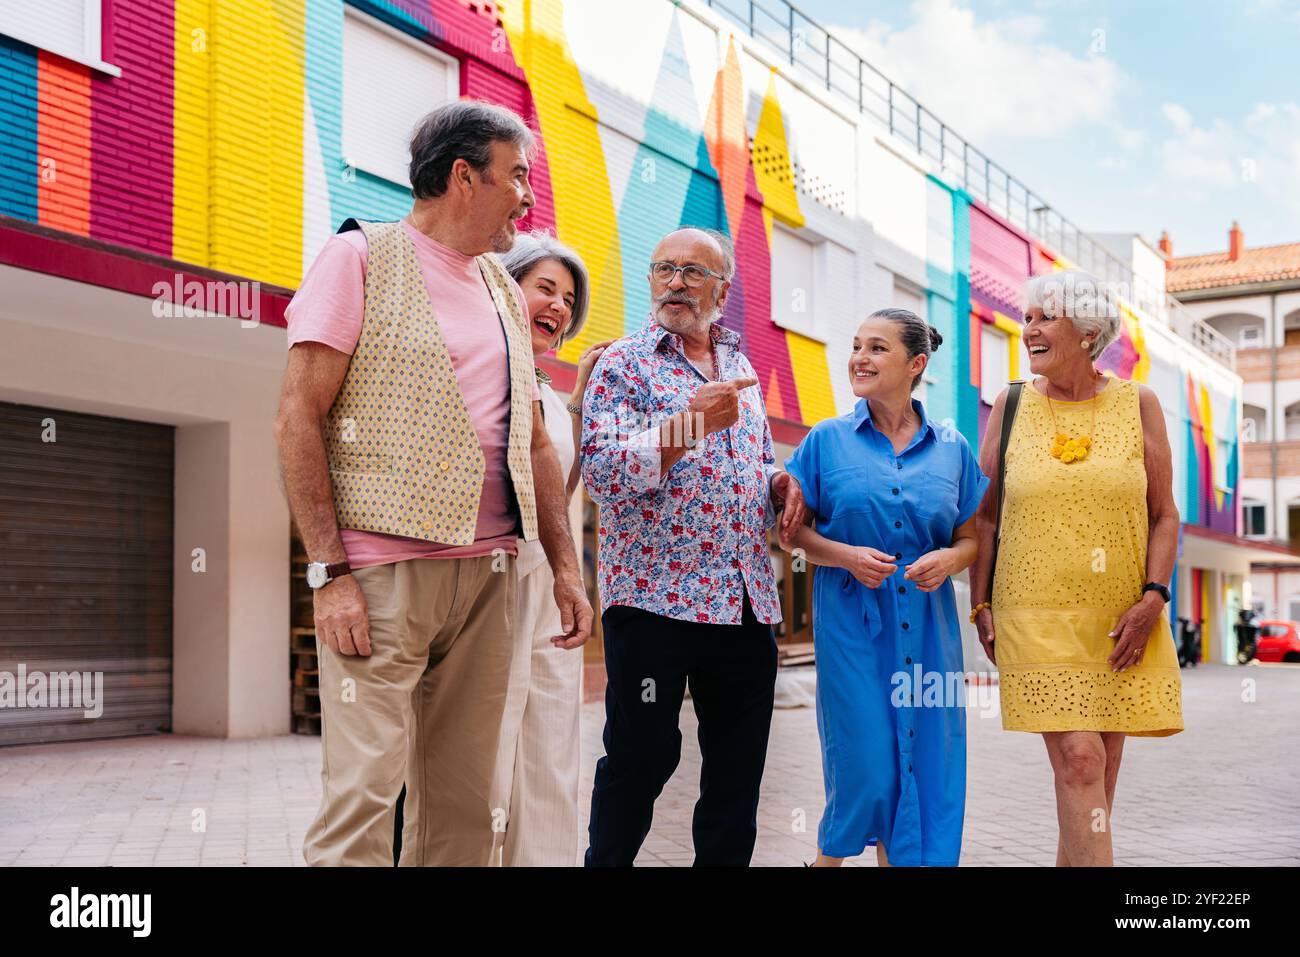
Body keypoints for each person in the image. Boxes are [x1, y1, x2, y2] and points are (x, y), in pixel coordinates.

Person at [275, 100, 592, 867]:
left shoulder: (501, 288)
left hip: (486, 578)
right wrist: (330, 573)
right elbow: (297, 418)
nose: (528, 194)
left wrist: (566, 567)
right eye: (518, 175)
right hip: (381, 578)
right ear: (462, 175)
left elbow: (537, 442)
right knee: (363, 796)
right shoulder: (359, 257)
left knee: (463, 804)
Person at [580, 227, 808, 866]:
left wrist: (778, 481)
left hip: (743, 601)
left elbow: (752, 460)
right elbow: (601, 473)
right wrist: (689, 423)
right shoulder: (623, 363)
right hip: (655, 600)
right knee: (643, 754)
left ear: (723, 289)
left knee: (738, 772)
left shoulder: (739, 366)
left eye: (693, 272)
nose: (675, 282)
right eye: (664, 269)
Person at [968, 270, 1183, 868]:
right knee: (1083, 762)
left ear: (1088, 333)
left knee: (1096, 780)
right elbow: (984, 518)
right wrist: (979, 603)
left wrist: (1154, 597)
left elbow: (1164, 515)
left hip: (1121, 622)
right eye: (1027, 317)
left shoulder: (1138, 403)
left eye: (1043, 318)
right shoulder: (1011, 405)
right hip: (1033, 614)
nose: (1027, 329)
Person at [782, 309, 987, 867]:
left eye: (876, 348)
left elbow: (971, 538)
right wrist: (845, 557)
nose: (859, 358)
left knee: (925, 763)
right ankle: (827, 860)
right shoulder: (826, 441)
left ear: (915, 364)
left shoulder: (952, 447)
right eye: (856, 346)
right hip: (852, 623)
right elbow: (788, 532)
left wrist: (949, 558)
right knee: (865, 763)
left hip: (928, 625)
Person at [490, 231, 612, 865]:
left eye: (568, 299)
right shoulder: (482, 371)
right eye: (546, 289)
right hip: (490, 584)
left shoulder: (547, 392)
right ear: (503, 285)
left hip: (550, 592)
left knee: (549, 758)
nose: (560, 308)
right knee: (483, 759)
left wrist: (579, 402)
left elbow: (556, 499)